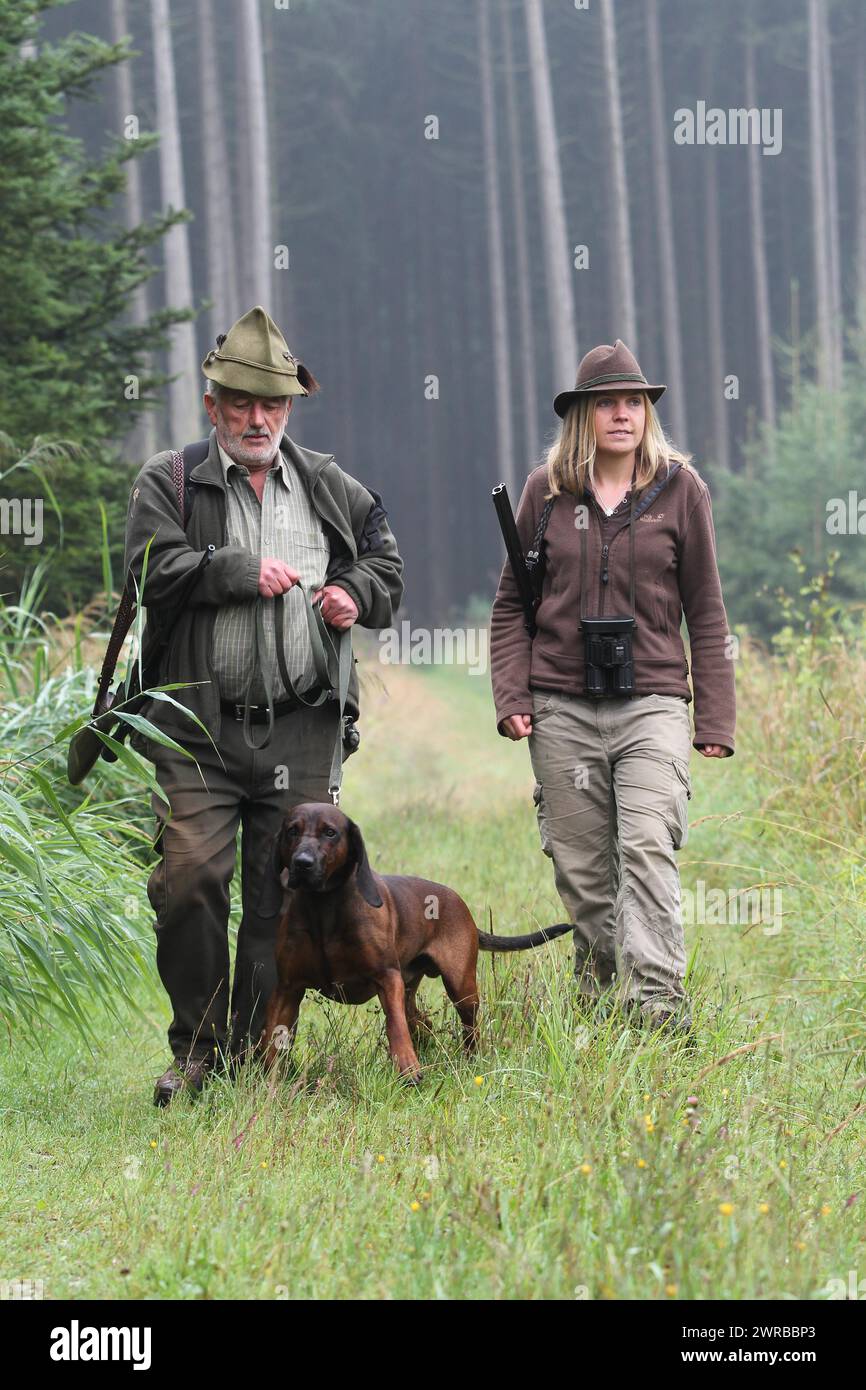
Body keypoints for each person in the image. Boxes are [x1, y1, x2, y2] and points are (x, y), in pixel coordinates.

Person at [123, 306, 403, 1104]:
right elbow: (146, 569)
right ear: (212, 406)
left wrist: (355, 591)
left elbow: (387, 564)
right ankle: (197, 1048)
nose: (256, 419)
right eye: (240, 403)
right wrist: (233, 570)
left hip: (302, 727)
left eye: (271, 405)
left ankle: (257, 1054)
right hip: (196, 731)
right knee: (189, 882)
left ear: (289, 409)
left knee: (283, 898)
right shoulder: (171, 480)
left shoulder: (326, 482)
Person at [490, 339, 734, 1035]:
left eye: (634, 402)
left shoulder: (682, 489)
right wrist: (512, 698)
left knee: (648, 844)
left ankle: (658, 1007)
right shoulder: (545, 491)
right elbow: (512, 607)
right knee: (584, 871)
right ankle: (600, 1002)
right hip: (561, 704)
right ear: (583, 415)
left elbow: (707, 610)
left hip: (653, 700)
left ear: (646, 412)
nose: (622, 414)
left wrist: (714, 714)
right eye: (607, 403)